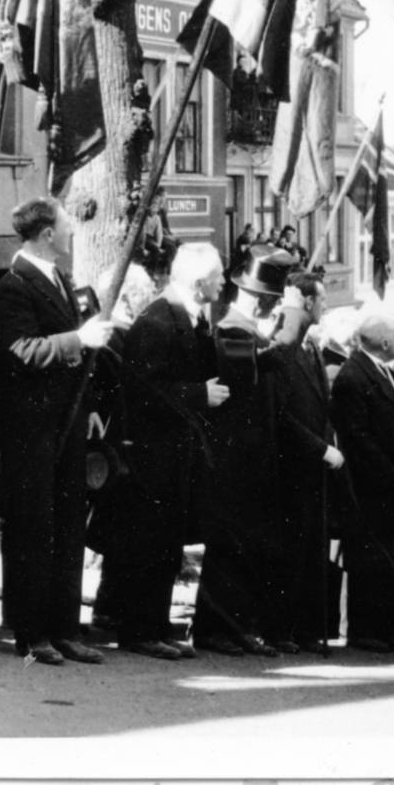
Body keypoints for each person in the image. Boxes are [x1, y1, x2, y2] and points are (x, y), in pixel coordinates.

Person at [0, 197, 114, 666]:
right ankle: (30, 631)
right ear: (45, 234)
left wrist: (92, 405)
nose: (71, 232)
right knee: (33, 528)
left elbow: (83, 352)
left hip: (69, 420)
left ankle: (64, 628)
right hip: (31, 427)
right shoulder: (13, 286)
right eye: (65, 226)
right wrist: (77, 340)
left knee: (67, 526)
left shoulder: (60, 279)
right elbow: (21, 349)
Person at [91, 244, 228, 660]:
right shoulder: (157, 321)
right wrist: (199, 394)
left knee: (167, 544)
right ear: (199, 281)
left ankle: (155, 626)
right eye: (219, 276)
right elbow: (146, 391)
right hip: (151, 455)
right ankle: (139, 631)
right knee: (149, 544)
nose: (224, 283)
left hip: (173, 452)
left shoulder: (187, 316)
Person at [191, 244, 298, 658]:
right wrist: (288, 326)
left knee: (245, 548)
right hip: (231, 460)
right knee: (229, 548)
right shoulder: (231, 331)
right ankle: (218, 629)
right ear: (259, 298)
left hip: (253, 459)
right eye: (271, 299)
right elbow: (259, 367)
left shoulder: (248, 331)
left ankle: (236, 626)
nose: (273, 306)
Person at [331, 313, 394, 653]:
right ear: (385, 342)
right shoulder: (354, 376)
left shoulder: (383, 369)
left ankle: (387, 627)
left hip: (393, 483)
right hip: (372, 486)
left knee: (392, 558)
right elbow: (356, 436)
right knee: (371, 558)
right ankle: (365, 629)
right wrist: (390, 474)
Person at [271, 271, 343, 652]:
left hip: (316, 468)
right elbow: (282, 416)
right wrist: (320, 448)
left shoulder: (313, 348)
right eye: (321, 298)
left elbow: (321, 407)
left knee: (313, 551)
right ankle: (281, 629)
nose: (325, 305)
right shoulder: (282, 346)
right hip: (293, 466)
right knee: (291, 550)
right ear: (305, 301)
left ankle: (305, 628)